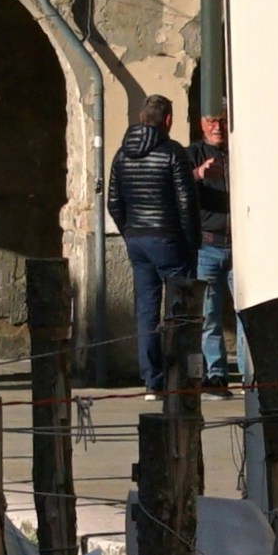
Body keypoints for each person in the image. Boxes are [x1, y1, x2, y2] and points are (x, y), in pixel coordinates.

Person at [106, 93, 198, 377]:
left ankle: (151, 379)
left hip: (137, 240)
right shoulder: (173, 152)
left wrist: (129, 232)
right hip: (169, 237)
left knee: (146, 311)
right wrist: (192, 240)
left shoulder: (121, 155)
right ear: (168, 120)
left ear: (140, 119)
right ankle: (177, 374)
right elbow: (185, 201)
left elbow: (113, 201)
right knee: (178, 308)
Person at [182, 113, 243, 383]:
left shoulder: (241, 150)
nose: (217, 126)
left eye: (222, 120)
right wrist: (198, 174)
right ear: (201, 123)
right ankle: (216, 373)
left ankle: (248, 372)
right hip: (208, 245)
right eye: (210, 120)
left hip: (241, 246)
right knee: (209, 315)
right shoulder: (192, 154)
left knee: (246, 312)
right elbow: (176, 184)